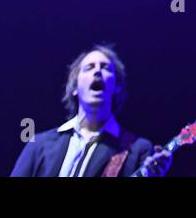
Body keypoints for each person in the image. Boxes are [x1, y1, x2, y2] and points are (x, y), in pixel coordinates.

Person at [10, 44, 172, 177]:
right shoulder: (39, 145)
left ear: (117, 87)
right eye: (89, 67)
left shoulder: (137, 150)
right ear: (74, 88)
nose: (97, 72)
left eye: (106, 68)